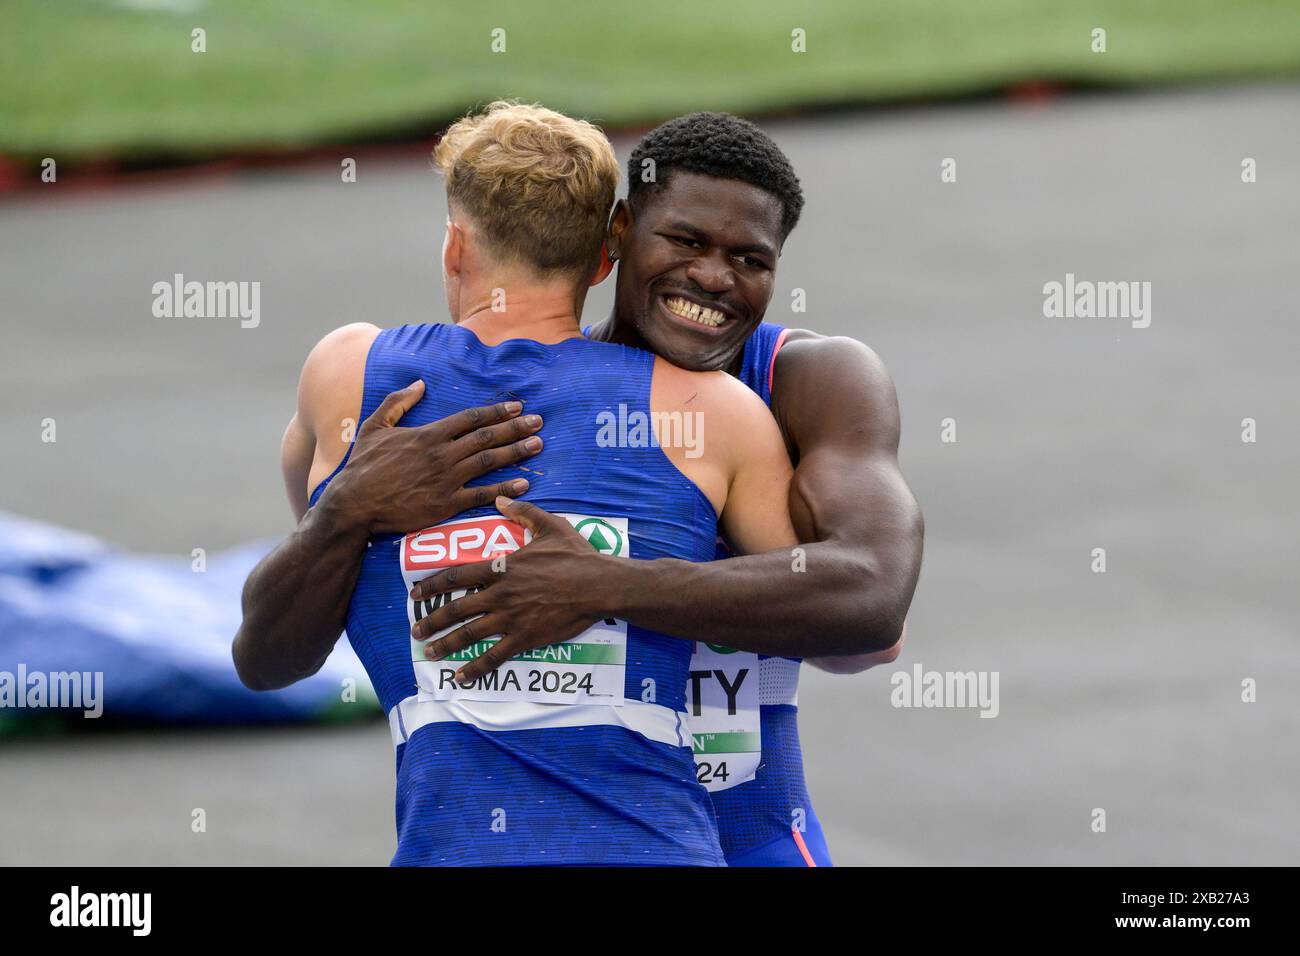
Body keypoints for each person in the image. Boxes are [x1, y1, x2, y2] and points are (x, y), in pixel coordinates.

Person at [233, 102, 800, 865]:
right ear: (606, 259)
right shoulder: (715, 410)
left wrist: (353, 511)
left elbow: (271, 655)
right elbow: (844, 628)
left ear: (454, 246)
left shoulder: (348, 375)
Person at [407, 113, 924, 866]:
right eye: (685, 242)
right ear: (617, 236)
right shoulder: (526, 397)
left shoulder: (810, 379)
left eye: (750, 258)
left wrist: (608, 587)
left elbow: (873, 615)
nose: (714, 277)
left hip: (751, 840)